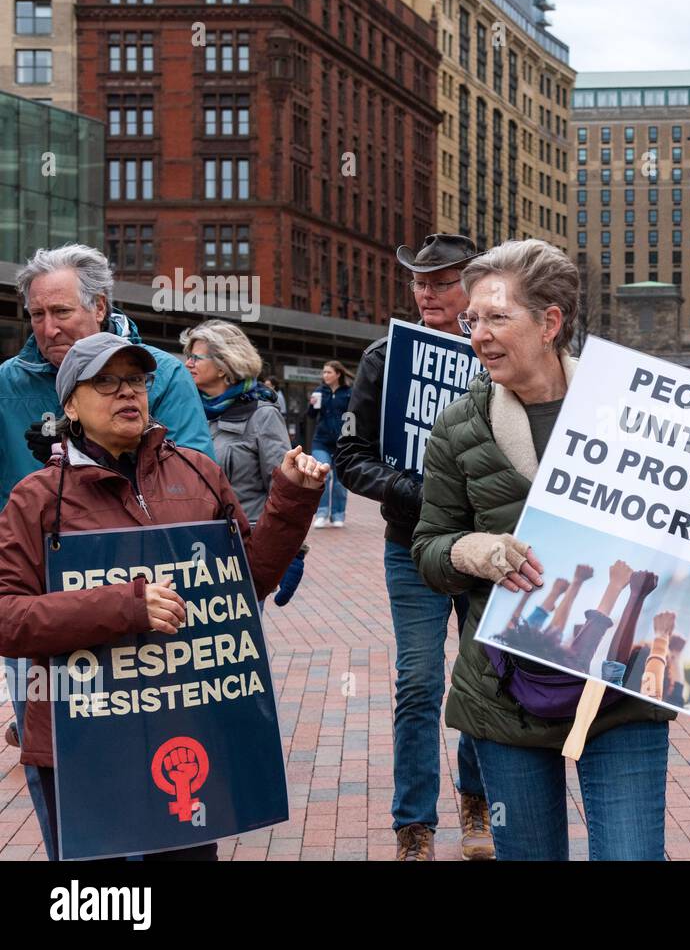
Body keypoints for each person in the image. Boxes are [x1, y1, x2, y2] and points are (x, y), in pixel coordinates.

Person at [411, 239, 690, 861]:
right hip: (507, 693)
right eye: (472, 320)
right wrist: (473, 551)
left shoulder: (638, 408)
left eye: (497, 318)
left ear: (550, 322)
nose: (478, 334)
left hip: (623, 692)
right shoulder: (458, 426)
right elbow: (429, 549)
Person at [0, 332, 327, 860]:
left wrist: (291, 499)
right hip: (83, 742)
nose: (126, 392)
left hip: (183, 730)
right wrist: (125, 607)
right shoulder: (37, 499)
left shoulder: (198, 474)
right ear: (70, 405)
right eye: (104, 381)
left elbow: (244, 586)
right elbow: (8, 618)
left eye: (135, 380)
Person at [0, 243, 214, 860]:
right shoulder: (8, 387)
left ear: (99, 305)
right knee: (66, 767)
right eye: (36, 315)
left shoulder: (166, 375)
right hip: (49, 611)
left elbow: (191, 487)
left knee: (168, 765)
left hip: (159, 609)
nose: (48, 328)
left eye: (60, 312)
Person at [334, 233, 493, 861]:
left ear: (475, 287)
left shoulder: (501, 355)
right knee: (420, 683)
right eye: (419, 282)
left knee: (483, 682)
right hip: (413, 546)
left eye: (443, 281)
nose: (427, 292)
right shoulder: (384, 359)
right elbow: (350, 459)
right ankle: (414, 825)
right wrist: (423, 490)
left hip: (488, 549)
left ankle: (477, 804)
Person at [184, 320, 306, 607]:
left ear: (224, 364)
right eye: (187, 356)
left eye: (195, 357)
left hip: (242, 552)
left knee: (240, 644)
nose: (187, 363)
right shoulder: (186, 412)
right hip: (191, 549)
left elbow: (284, 488)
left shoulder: (262, 416)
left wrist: (292, 552)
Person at [308, 360, 352, 528]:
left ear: (338, 374)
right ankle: (321, 513)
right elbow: (311, 416)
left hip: (343, 443)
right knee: (322, 476)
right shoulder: (320, 391)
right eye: (324, 372)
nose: (325, 375)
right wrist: (312, 405)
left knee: (340, 480)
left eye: (328, 372)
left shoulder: (349, 393)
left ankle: (338, 514)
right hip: (321, 441)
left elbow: (352, 417)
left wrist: (349, 439)